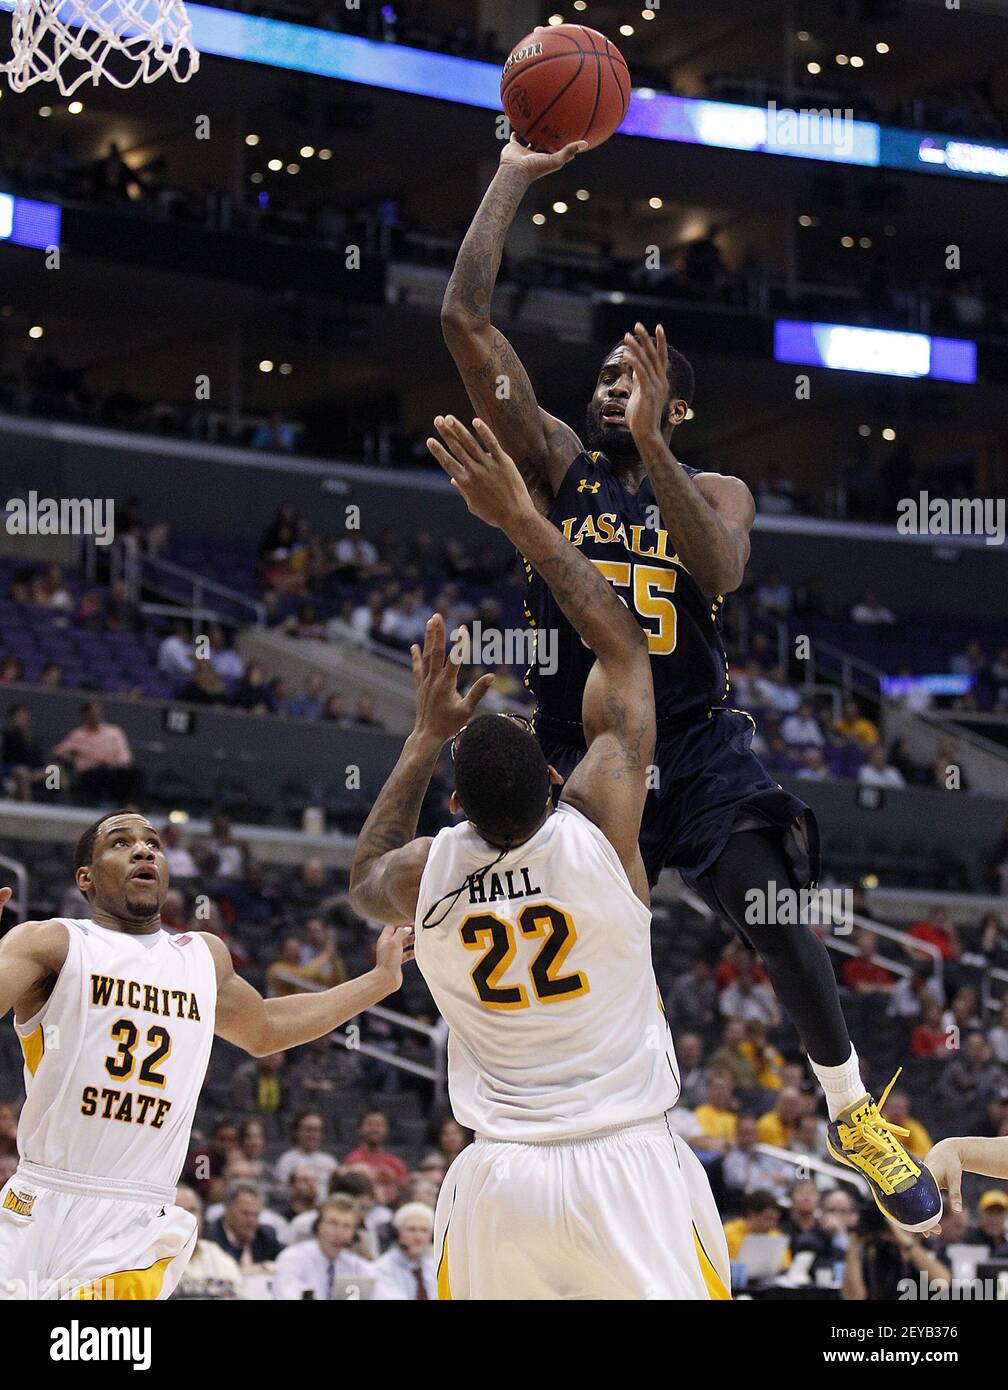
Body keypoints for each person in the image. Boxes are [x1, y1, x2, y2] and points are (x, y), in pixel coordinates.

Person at [440, 134, 940, 1235]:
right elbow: (464, 327)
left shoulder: (715, 484)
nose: (614, 389)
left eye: (637, 381)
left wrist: (659, 446)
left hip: (701, 744)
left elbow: (718, 569)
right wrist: (518, 170)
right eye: (607, 377)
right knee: (554, 938)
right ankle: (530, 1127)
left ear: (674, 405)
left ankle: (852, 1112)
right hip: (581, 745)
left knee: (776, 907)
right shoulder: (558, 462)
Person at [348, 419, 728, 1300]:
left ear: (454, 808)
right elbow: (626, 649)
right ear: (559, 779)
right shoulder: (596, 829)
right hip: (628, 1168)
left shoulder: (427, 874)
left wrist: (420, 738)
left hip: (498, 1183)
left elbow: (365, 874)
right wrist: (522, 516)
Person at [0, 809, 411, 1300]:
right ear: (85, 878)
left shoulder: (201, 956)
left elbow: (266, 1029)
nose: (143, 849)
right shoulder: (51, 942)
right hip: (41, 1196)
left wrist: (380, 980)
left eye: (152, 842)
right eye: (120, 842)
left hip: (135, 1218)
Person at [271, 1196, 371, 1299]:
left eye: (346, 1226)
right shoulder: (292, 1259)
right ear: (318, 1225)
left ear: (353, 1235)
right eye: (333, 1223)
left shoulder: (358, 1267)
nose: (339, 1233)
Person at [52, 700, 143, 803]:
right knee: (97, 774)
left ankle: (132, 808)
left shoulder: (114, 732)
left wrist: (117, 764)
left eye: (98, 713)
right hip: (90, 772)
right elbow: (58, 751)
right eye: (92, 714)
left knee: (134, 774)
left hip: (114, 770)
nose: (95, 716)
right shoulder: (78, 735)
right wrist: (76, 755)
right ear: (85, 716)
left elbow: (125, 756)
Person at [172, 1184, 245, 1300]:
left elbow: (237, 1293)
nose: (188, 1217)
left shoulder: (215, 1253)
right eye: (180, 1210)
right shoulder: (153, 1255)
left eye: (193, 1210)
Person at [371, 1203, 437, 1300]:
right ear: (397, 1233)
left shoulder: (433, 1267)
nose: (418, 1237)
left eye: (424, 1230)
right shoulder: (381, 1269)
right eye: (411, 1229)